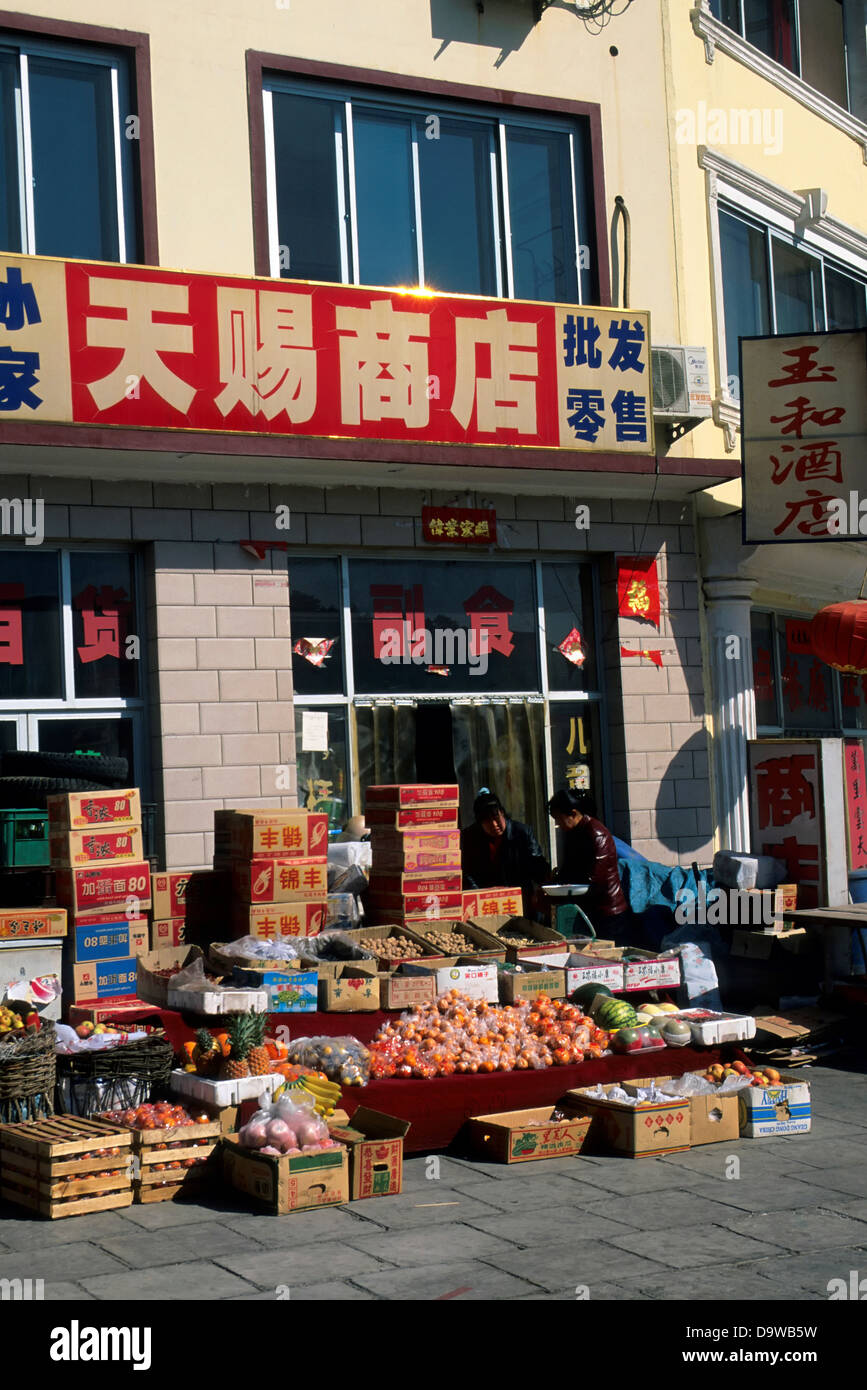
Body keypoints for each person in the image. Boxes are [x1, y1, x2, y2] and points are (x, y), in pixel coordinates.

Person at [548, 788, 633, 940]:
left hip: (608, 912)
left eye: (559, 819)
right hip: (588, 908)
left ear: (573, 814)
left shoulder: (597, 834)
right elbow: (569, 868)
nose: (558, 824)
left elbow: (596, 877)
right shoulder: (574, 834)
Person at [461, 790, 551, 918]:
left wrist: (544, 885)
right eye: (487, 821)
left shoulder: (522, 833)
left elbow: (536, 864)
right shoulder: (470, 837)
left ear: (502, 813)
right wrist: (479, 894)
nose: (494, 825)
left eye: (496, 818)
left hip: (519, 901)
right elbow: (467, 871)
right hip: (487, 903)